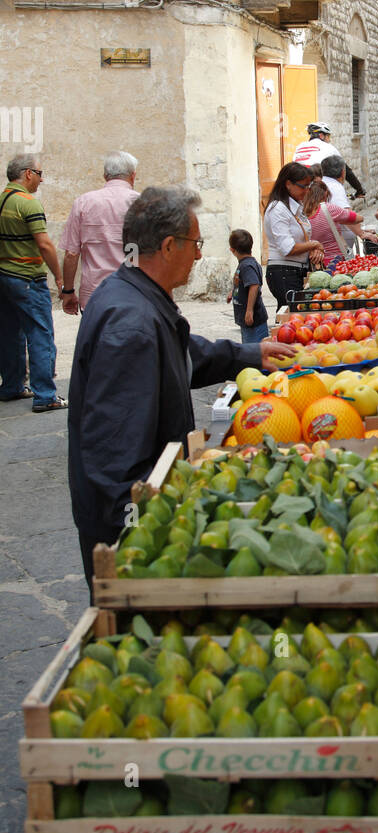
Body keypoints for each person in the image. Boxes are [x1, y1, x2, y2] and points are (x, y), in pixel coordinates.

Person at [68, 187, 295, 588]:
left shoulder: (135, 294)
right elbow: (115, 455)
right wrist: (141, 532)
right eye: (196, 244)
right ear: (170, 245)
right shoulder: (130, 323)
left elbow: (182, 353)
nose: (200, 255)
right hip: (133, 534)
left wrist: (248, 354)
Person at [0, 153, 66, 412]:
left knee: (9, 335)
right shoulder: (28, 204)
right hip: (27, 277)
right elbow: (44, 244)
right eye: (40, 174)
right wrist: (59, 277)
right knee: (40, 334)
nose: (41, 179)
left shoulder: (2, 200)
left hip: (3, 277)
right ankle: (46, 395)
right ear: (28, 174)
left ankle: (12, 386)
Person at [58, 150, 139, 315]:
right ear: (133, 176)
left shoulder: (83, 203)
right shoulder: (142, 203)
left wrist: (68, 292)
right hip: (133, 292)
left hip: (94, 295)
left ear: (105, 176)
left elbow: (71, 254)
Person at [262, 162, 325, 305]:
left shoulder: (296, 207)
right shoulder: (278, 209)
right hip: (284, 272)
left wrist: (312, 248)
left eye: (309, 186)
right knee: (290, 313)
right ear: (288, 184)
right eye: (303, 186)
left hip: (296, 270)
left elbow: (303, 238)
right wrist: (313, 244)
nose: (307, 191)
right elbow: (287, 248)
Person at [303, 180, 376, 267]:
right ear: (325, 193)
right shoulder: (329, 208)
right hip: (336, 262)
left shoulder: (302, 213)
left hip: (316, 264)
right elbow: (356, 218)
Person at [293, 123, 365, 198]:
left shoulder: (299, 147)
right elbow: (346, 171)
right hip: (317, 188)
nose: (329, 140)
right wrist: (359, 190)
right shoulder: (329, 147)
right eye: (328, 136)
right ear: (321, 136)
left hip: (298, 186)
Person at [227, 228, 268, 343]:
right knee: (249, 348)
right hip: (247, 321)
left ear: (232, 250)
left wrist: (249, 311)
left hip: (253, 320)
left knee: (255, 351)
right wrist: (233, 292)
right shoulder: (246, 264)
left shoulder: (247, 266)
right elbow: (243, 284)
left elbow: (254, 285)